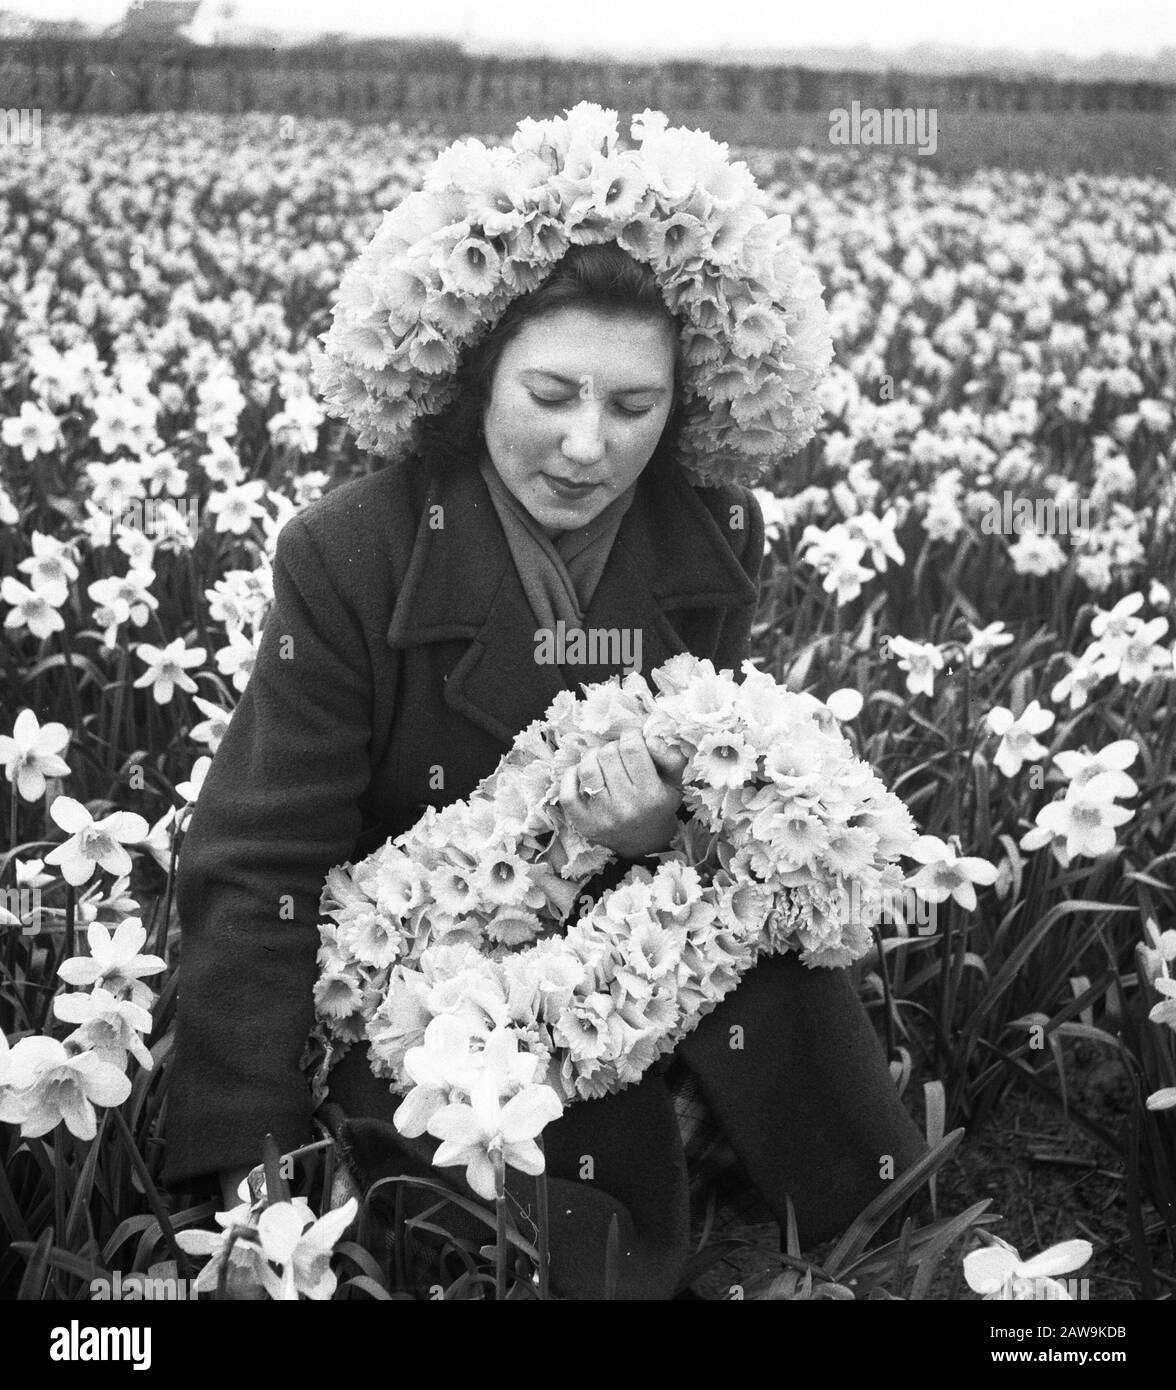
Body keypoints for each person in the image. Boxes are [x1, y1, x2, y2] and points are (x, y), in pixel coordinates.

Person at [162, 105, 926, 1300]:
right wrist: (246, 1154)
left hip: (621, 937)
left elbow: (716, 780)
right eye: (553, 393)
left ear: (691, 398)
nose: (587, 446)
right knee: (568, 1230)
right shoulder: (351, 550)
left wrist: (658, 831)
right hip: (418, 963)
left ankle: (795, 1181)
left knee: (845, 1133)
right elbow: (259, 855)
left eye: (635, 406)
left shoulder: (715, 532)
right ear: (473, 378)